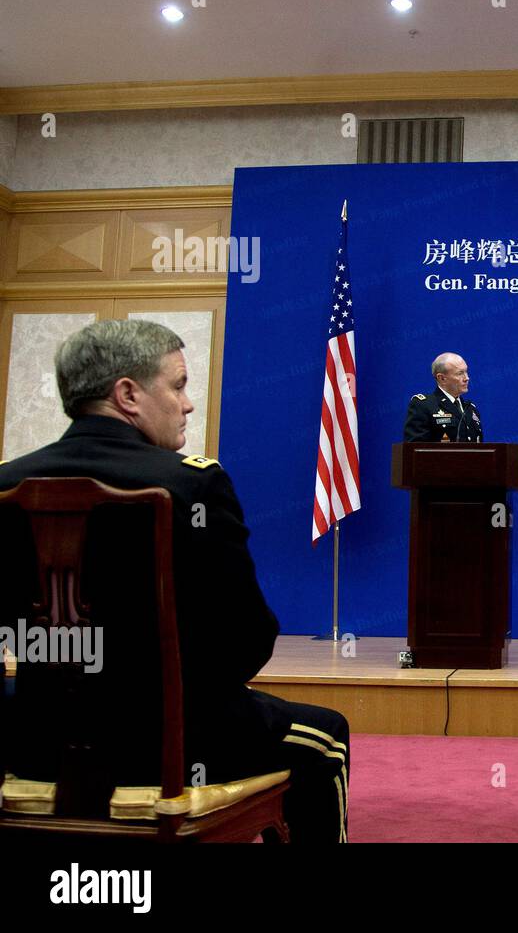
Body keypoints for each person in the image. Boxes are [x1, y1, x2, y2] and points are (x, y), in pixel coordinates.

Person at [0, 319, 349, 843]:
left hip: (32, 743)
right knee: (327, 736)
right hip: (172, 749)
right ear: (128, 395)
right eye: (179, 385)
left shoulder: (6, 485)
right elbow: (249, 635)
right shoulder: (192, 483)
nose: (188, 404)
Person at [403, 352, 484, 442]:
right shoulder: (424, 406)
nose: (466, 378)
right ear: (442, 378)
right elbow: (416, 450)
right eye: (460, 373)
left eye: (466, 372)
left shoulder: (470, 409)